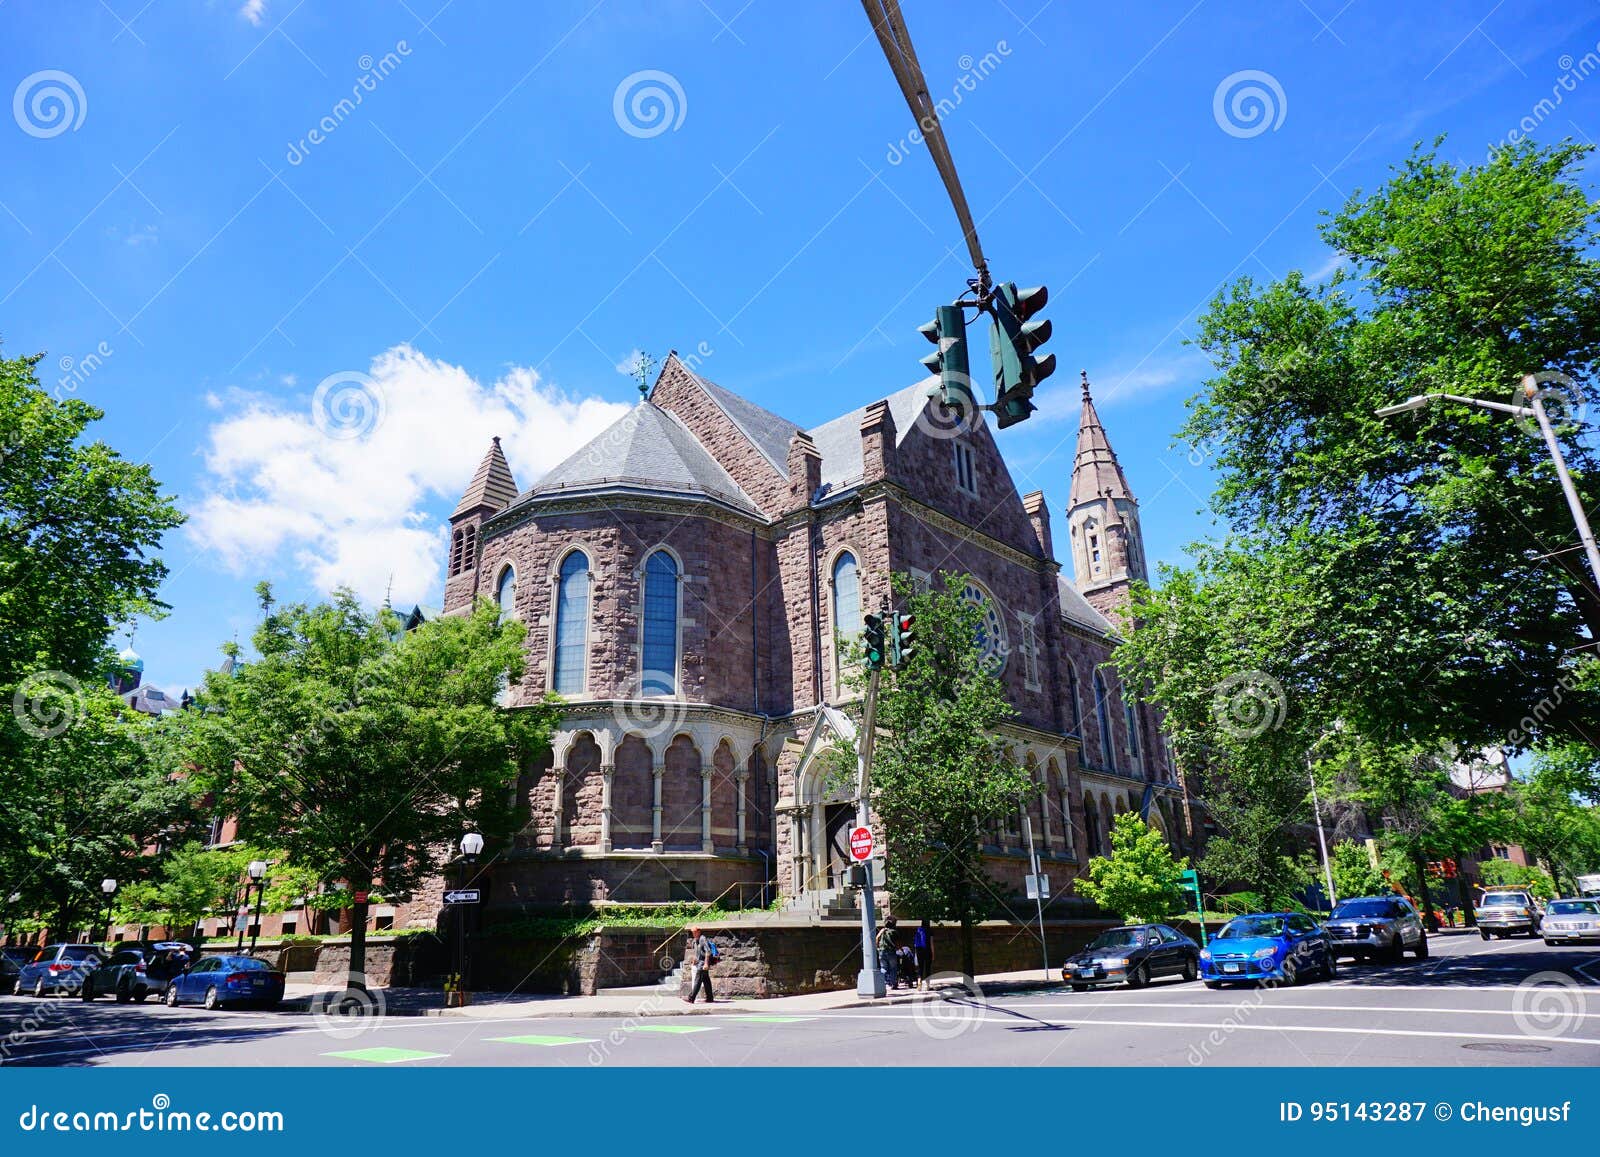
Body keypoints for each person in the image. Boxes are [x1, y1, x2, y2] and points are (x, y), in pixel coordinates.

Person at [684, 926, 715, 1004]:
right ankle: (710, 997)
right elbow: (698, 952)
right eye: (692, 932)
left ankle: (691, 998)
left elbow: (708, 951)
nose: (693, 934)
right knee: (706, 980)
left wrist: (706, 964)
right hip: (699, 962)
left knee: (698, 980)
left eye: (695, 932)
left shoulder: (702, 939)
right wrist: (695, 960)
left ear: (699, 931)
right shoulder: (696, 940)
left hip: (703, 963)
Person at [877, 915, 899, 989]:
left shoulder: (882, 931)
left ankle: (882, 983)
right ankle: (893, 984)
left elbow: (877, 938)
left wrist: (877, 947)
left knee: (883, 968)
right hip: (891, 951)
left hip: (882, 951)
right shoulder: (894, 932)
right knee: (893, 968)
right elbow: (897, 943)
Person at [913, 919, 933, 990]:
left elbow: (915, 943)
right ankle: (927, 985)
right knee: (928, 968)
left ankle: (919, 984)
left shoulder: (918, 930)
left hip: (919, 951)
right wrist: (933, 953)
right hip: (927, 951)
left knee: (920, 968)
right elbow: (931, 944)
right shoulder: (929, 931)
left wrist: (915, 952)